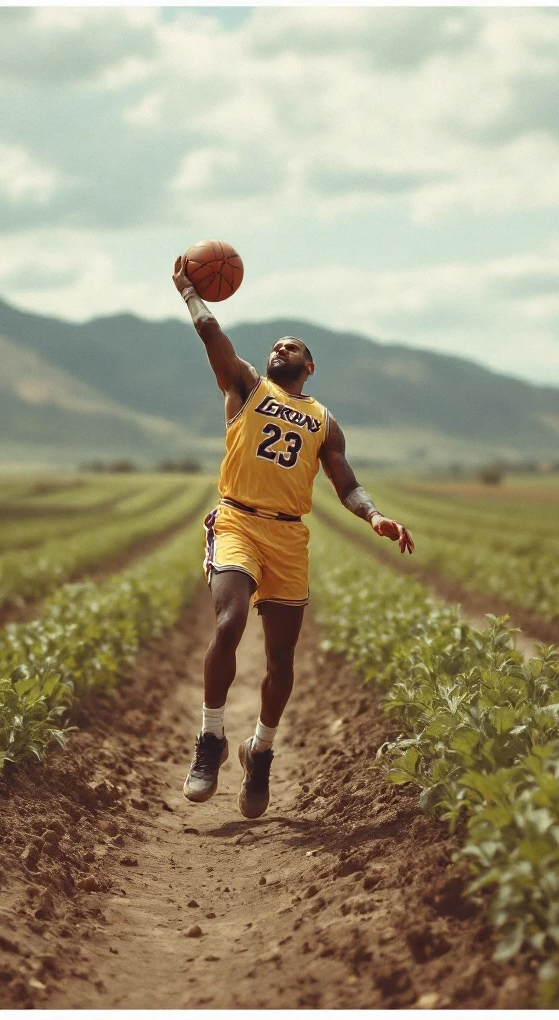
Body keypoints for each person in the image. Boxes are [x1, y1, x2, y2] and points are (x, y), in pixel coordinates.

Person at [173, 255, 414, 819]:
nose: (280, 349)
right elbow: (212, 335)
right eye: (275, 345)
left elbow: (345, 482)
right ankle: (211, 740)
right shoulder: (245, 388)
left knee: (281, 659)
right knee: (229, 624)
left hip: (288, 539)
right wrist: (190, 292)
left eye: (292, 346)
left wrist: (374, 515)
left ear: (311, 364)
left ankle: (260, 751)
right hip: (237, 521)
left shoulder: (325, 421)